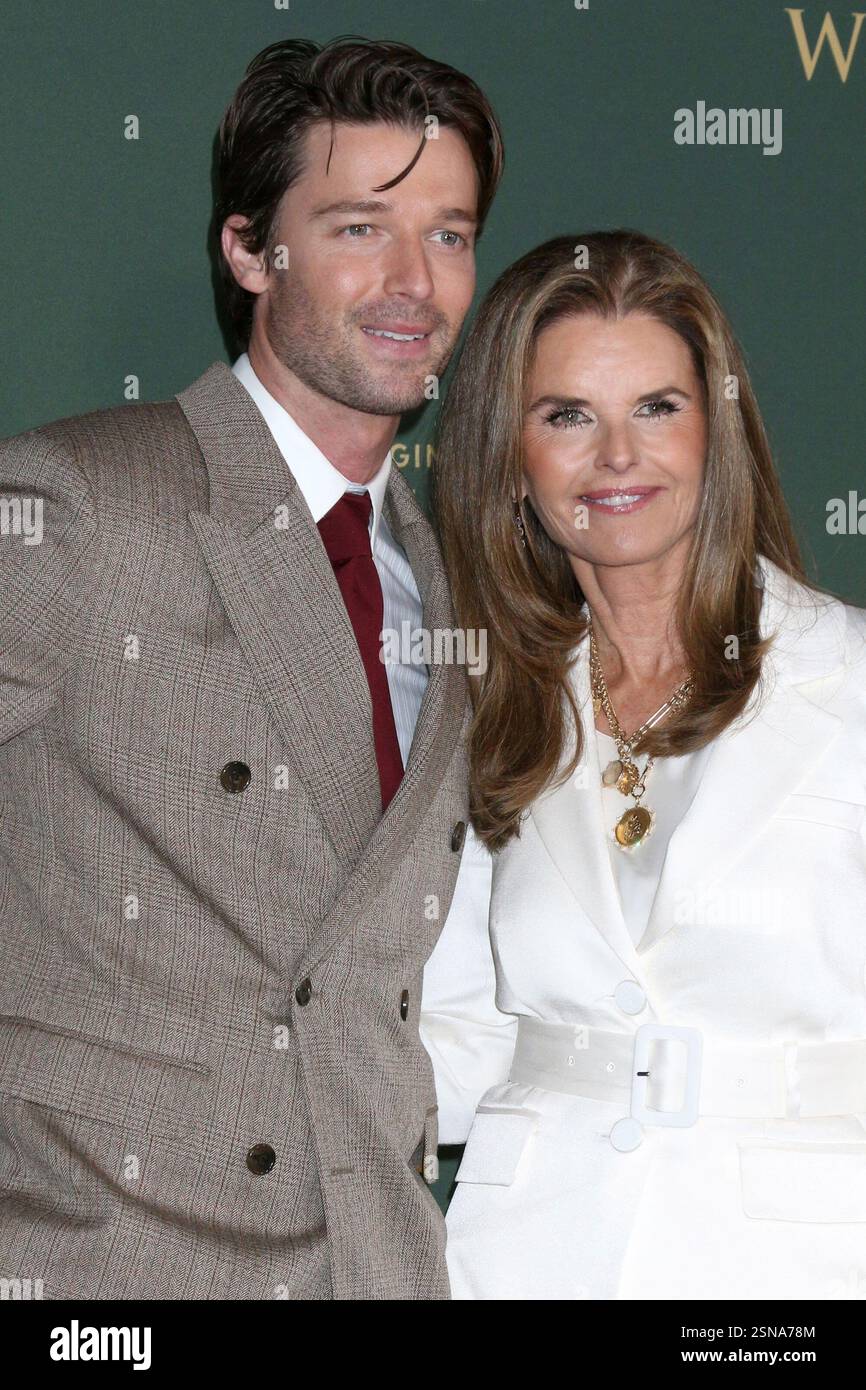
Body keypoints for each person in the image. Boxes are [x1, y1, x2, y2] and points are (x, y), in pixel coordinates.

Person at [0, 36, 503, 1300]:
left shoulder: (439, 574)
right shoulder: (83, 502)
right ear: (246, 251)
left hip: (370, 1266)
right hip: (105, 1270)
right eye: (358, 228)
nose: (412, 282)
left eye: (447, 234)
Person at [420, 229, 866, 1300]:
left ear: (716, 429)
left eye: (656, 407)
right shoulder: (478, 709)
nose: (617, 456)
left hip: (798, 1269)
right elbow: (453, 1033)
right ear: (508, 457)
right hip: (531, 1256)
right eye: (567, 415)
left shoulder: (849, 681)